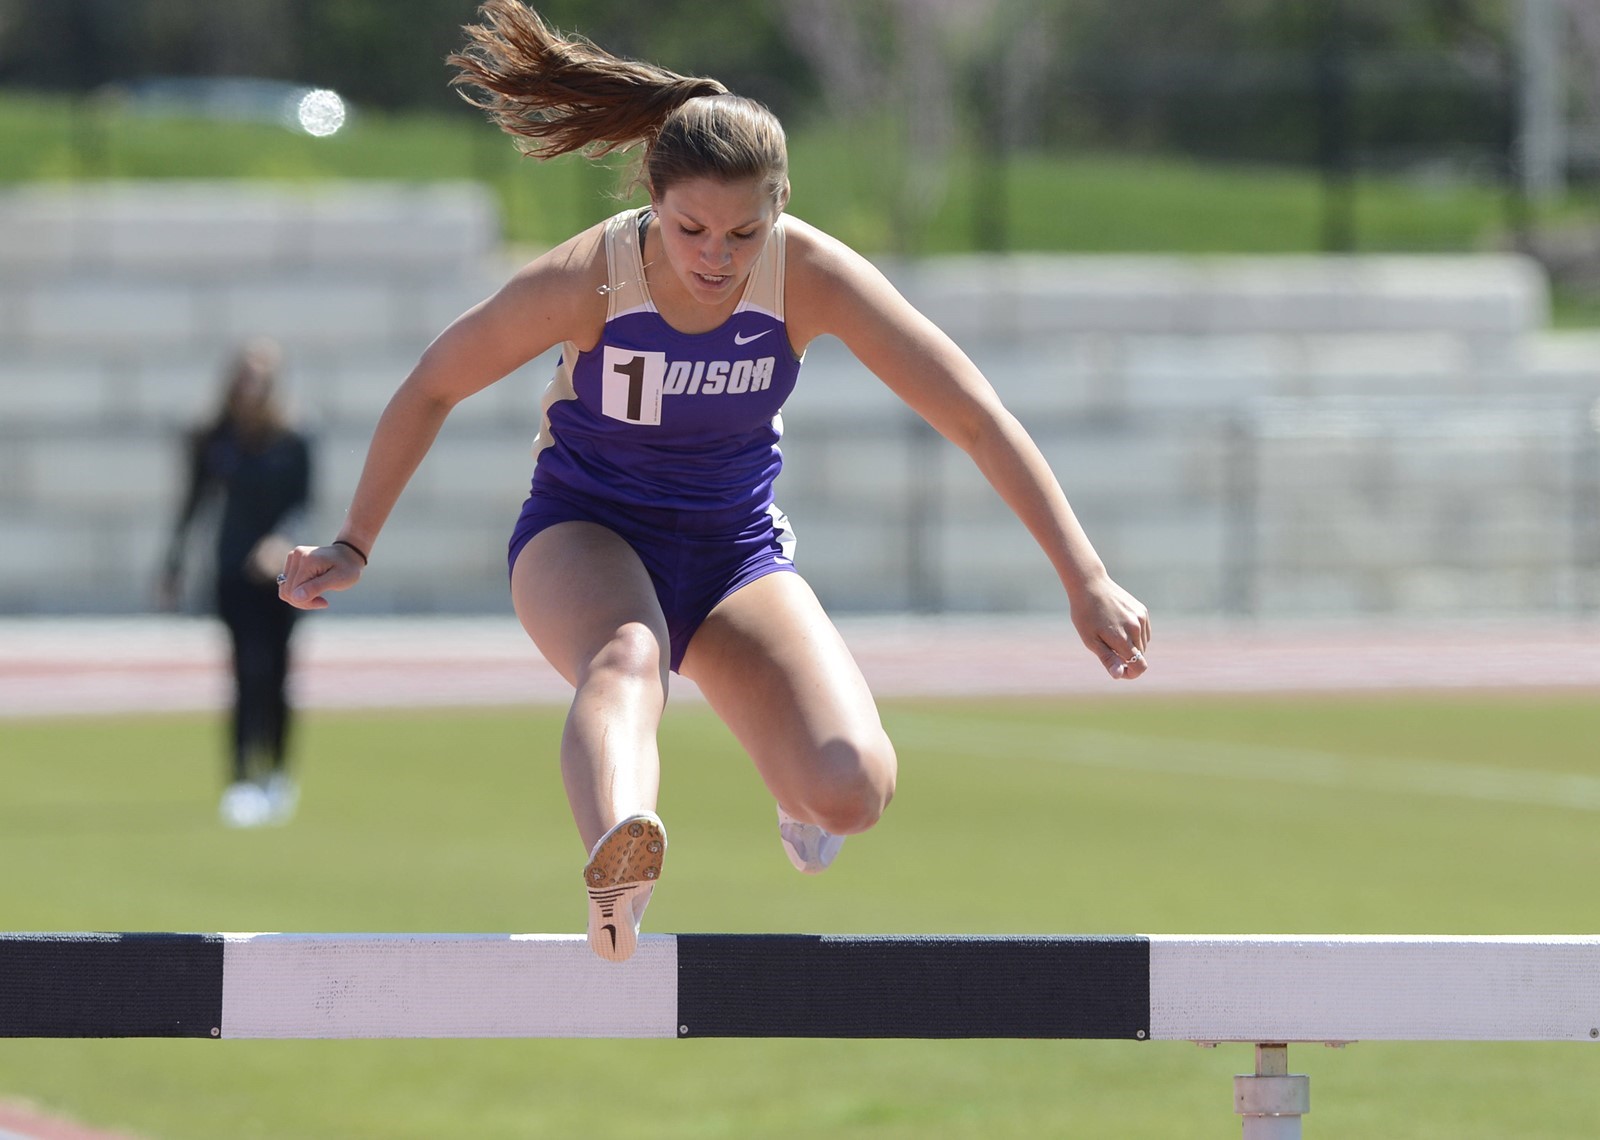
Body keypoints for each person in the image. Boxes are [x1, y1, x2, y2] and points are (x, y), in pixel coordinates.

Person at [279, 0, 1150, 962]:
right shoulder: (590, 280)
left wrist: (1086, 576)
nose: (715, 259)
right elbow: (432, 383)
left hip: (734, 552)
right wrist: (354, 541)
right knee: (627, 658)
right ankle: (620, 859)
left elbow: (973, 415)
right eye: (692, 229)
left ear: (778, 209)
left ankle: (795, 799)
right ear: (653, 201)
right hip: (588, 532)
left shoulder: (808, 274)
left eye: (743, 234)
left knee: (852, 790)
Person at [163, 338, 312, 829]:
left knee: (278, 675)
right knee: (244, 673)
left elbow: (302, 503)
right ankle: (240, 778)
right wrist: (173, 562)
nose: (250, 389)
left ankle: (278, 774)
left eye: (260, 380)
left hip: (285, 574)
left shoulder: (294, 439)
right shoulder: (214, 437)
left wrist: (279, 541)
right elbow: (194, 502)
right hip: (231, 571)